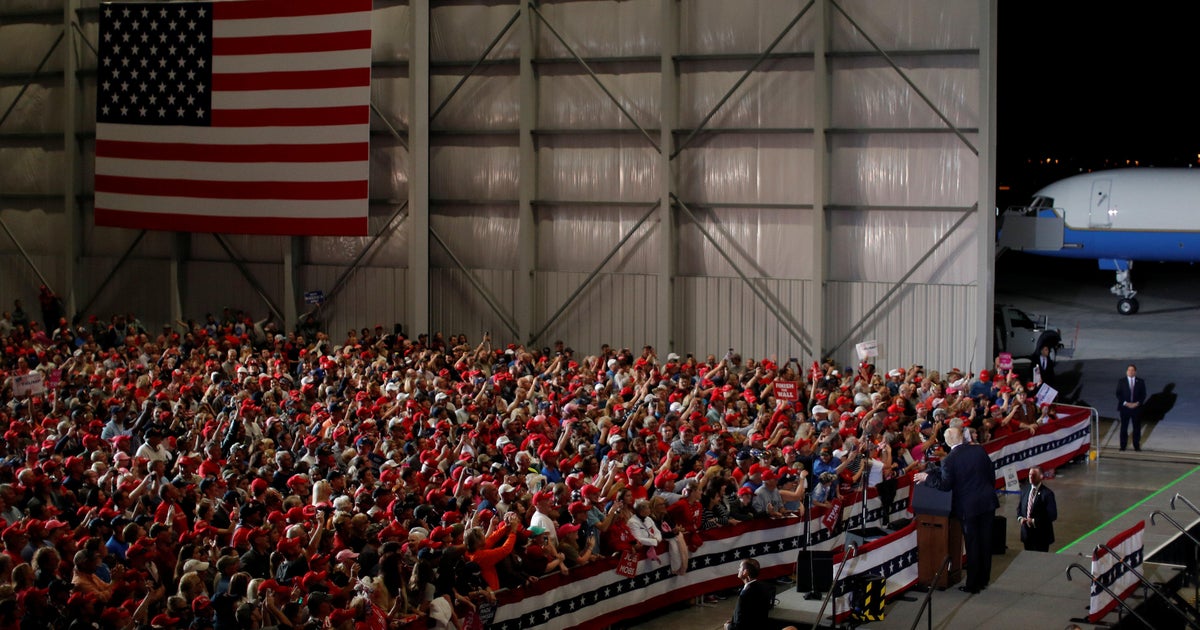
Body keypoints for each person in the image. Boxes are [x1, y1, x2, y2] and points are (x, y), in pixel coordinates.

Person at [914, 427, 998, 594]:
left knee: (973, 544)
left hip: (968, 507)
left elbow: (945, 485)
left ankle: (973, 584)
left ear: (947, 442)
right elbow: (991, 474)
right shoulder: (978, 450)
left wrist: (927, 477)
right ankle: (984, 579)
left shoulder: (949, 460)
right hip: (987, 502)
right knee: (985, 541)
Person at [723, 558, 796, 630]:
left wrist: (728, 626)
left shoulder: (744, 596)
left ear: (745, 572)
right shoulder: (765, 588)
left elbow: (739, 628)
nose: (738, 569)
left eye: (740, 567)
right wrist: (732, 621)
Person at [1017, 466, 1057, 552]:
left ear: (1041, 476)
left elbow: (1052, 515)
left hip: (1041, 536)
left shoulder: (1047, 494)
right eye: (1029, 474)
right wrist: (1020, 518)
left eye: (1034, 475)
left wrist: (1034, 521)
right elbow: (1019, 509)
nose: (1031, 477)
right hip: (1027, 535)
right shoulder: (1024, 490)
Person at [1116, 364, 1147, 451]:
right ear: (1126, 371)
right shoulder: (1121, 381)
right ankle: (1123, 446)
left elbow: (1143, 395)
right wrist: (1126, 403)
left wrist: (1137, 403)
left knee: (1136, 428)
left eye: (1132, 370)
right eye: (1129, 370)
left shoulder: (1140, 381)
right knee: (1124, 428)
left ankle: (1136, 446)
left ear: (1135, 372)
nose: (1130, 371)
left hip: (1136, 408)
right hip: (1125, 408)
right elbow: (1118, 394)